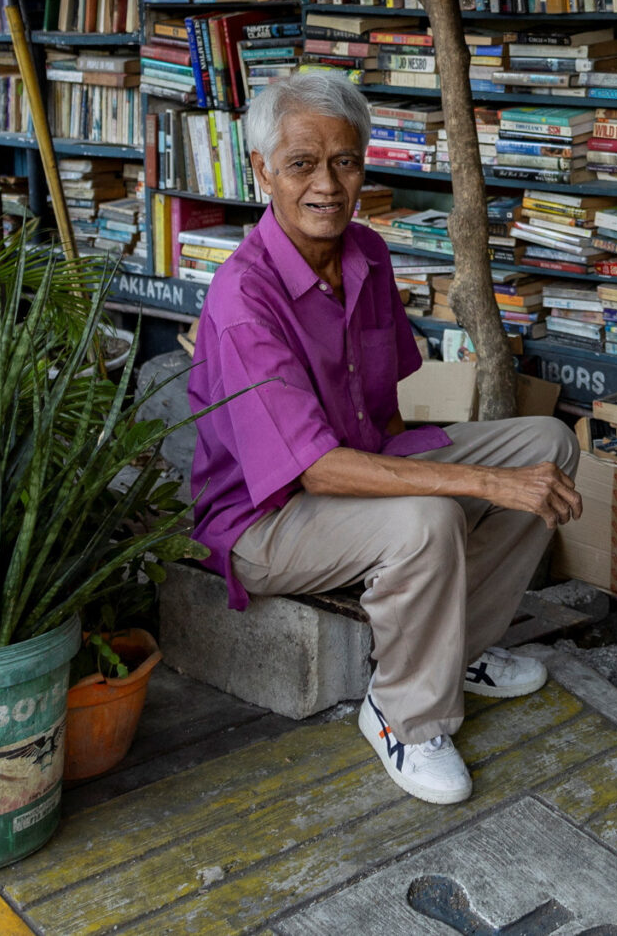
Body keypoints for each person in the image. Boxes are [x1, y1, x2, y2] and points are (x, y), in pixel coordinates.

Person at [185, 71, 581, 806]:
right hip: (264, 517)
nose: (328, 184)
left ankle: (452, 650)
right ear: (262, 170)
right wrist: (478, 486)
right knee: (428, 517)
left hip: (358, 463)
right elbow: (317, 471)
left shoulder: (365, 251)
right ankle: (404, 713)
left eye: (346, 160)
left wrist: (465, 470)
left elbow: (388, 413)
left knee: (547, 446)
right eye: (302, 162)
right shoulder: (243, 298)